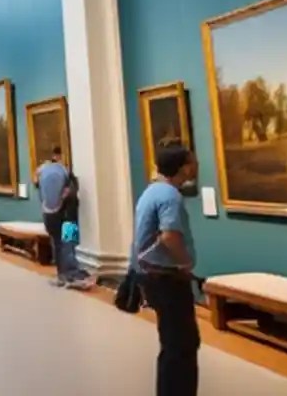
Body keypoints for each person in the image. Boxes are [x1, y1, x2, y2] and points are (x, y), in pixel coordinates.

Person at [133, 144, 200, 396]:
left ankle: (67, 269)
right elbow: (170, 235)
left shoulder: (152, 191)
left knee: (175, 343)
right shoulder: (169, 195)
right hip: (167, 277)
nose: (195, 166)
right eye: (192, 162)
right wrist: (185, 262)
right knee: (180, 345)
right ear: (183, 167)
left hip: (58, 222)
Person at [34, 146, 72, 285]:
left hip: (51, 213)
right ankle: (68, 273)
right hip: (67, 213)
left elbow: (36, 181)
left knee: (57, 242)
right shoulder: (64, 170)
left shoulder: (44, 170)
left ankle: (62, 274)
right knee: (67, 243)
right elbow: (69, 190)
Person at [57, 173, 94, 289]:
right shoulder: (72, 195)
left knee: (68, 249)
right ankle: (70, 274)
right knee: (69, 248)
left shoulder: (68, 196)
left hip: (68, 223)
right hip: (70, 223)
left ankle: (69, 274)